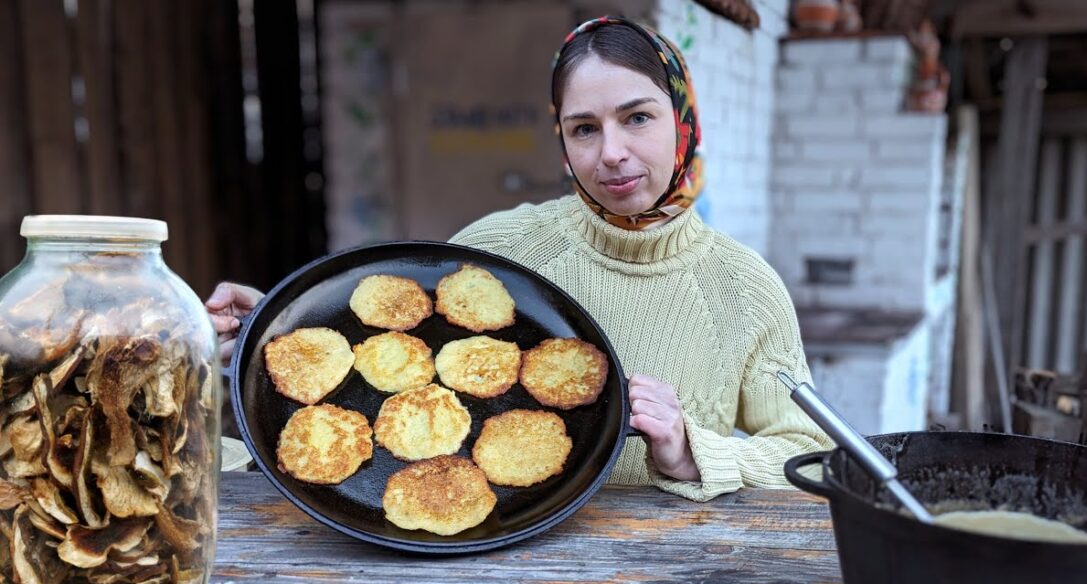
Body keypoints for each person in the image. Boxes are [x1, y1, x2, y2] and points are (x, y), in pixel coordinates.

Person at [207, 16, 831, 502]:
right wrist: (281, 330)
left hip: (668, 574)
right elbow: (400, 343)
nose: (611, 152)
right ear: (562, 138)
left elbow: (812, 454)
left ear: (684, 121)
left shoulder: (744, 288)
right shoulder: (506, 246)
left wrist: (695, 453)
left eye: (637, 117)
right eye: (584, 128)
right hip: (498, 555)